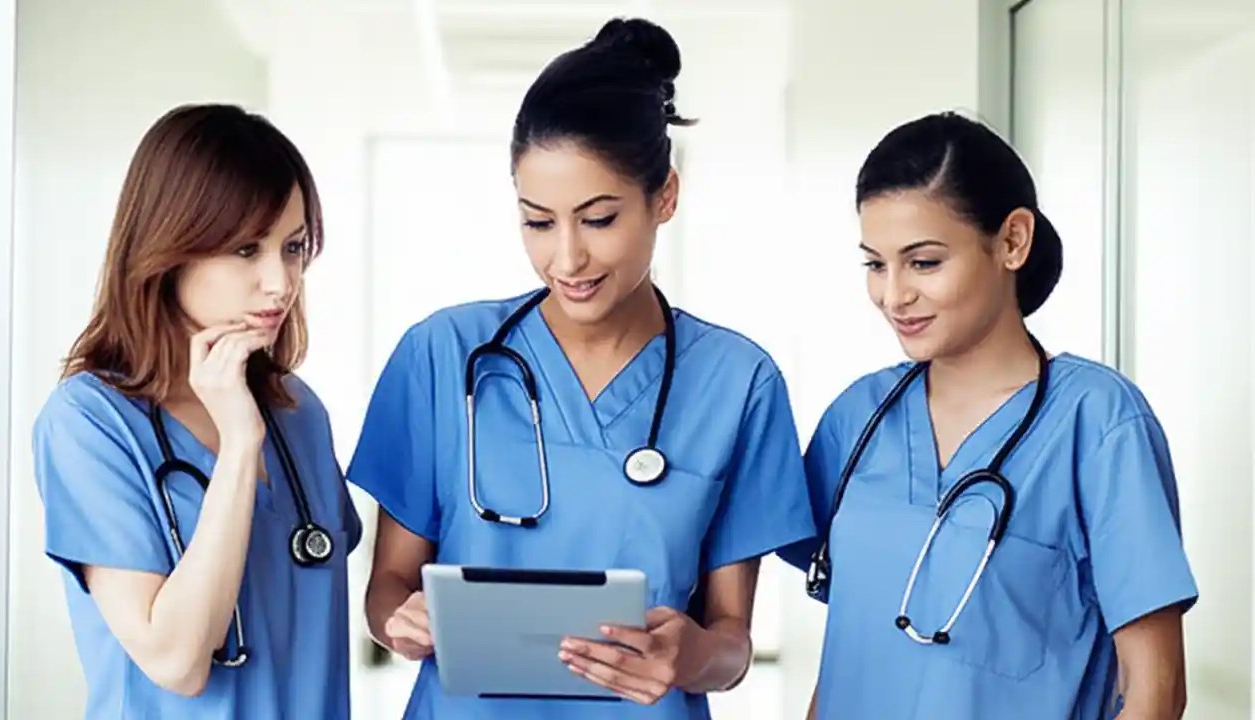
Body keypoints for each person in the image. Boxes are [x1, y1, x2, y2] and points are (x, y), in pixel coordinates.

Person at [349, 16, 815, 719]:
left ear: (665, 198)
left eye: (598, 219)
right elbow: (387, 585)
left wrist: (691, 656)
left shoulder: (737, 384)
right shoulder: (444, 356)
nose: (566, 259)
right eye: (538, 221)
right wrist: (399, 622)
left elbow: (731, 642)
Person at [780, 111, 1198, 719]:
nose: (894, 295)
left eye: (923, 262)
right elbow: (854, 647)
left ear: (1011, 241)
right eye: (875, 264)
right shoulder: (859, 417)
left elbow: (1156, 689)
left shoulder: (1098, 423)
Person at [31, 103, 362, 719]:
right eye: (245, 250)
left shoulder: (298, 415)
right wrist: (238, 445)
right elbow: (177, 662)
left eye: (292, 248)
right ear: (169, 250)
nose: (279, 282)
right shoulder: (90, 424)